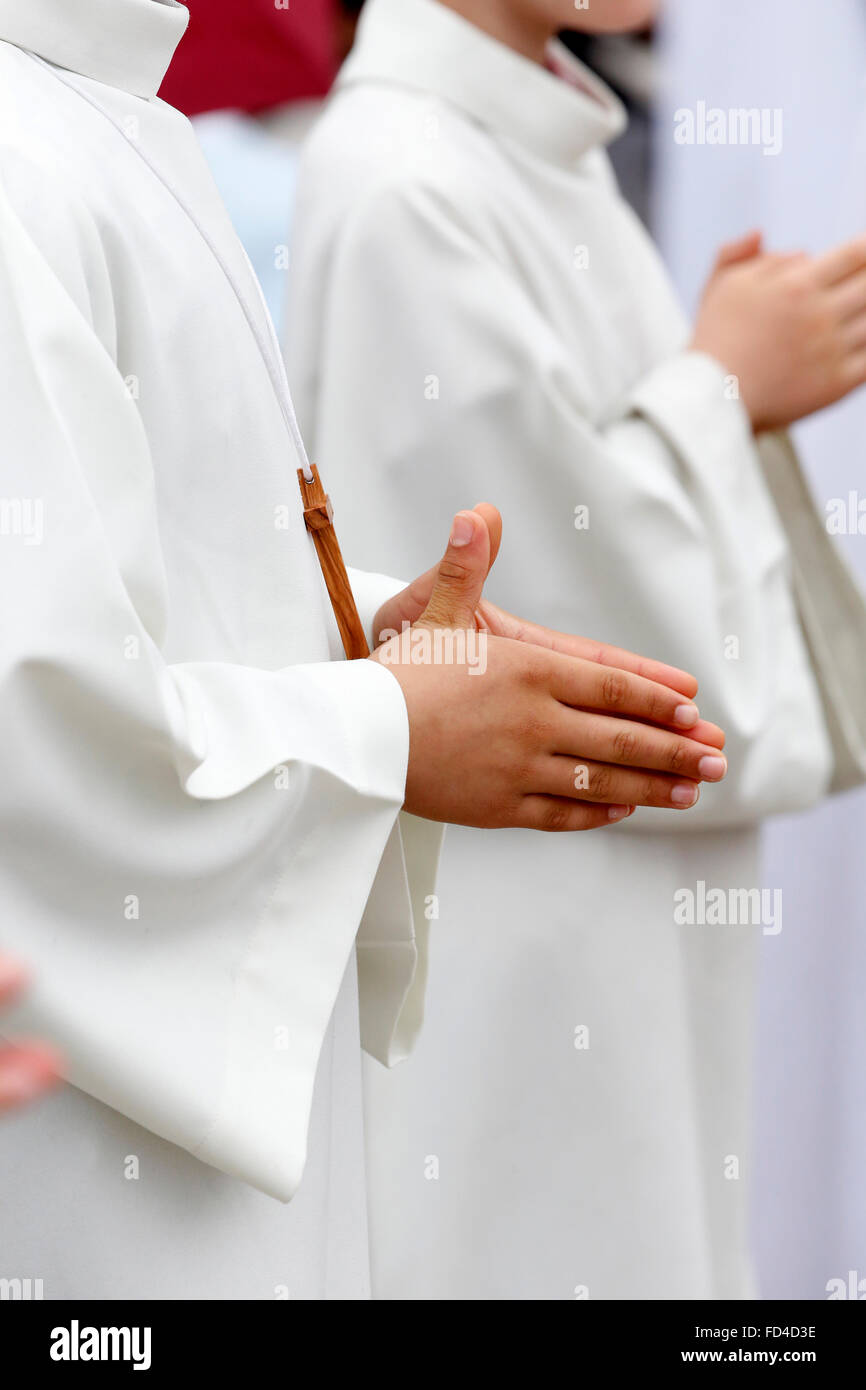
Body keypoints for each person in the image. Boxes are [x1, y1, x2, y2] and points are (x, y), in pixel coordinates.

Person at [0, 0, 725, 1300]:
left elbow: (164, 579)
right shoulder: (25, 148)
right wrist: (387, 725)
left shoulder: (119, 120)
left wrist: (361, 626)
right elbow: (35, 722)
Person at [287, 0, 866, 1298]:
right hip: (522, 950)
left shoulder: (539, 148)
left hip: (629, 942)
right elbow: (541, 625)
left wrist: (714, 383)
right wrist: (720, 385)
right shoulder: (399, 179)